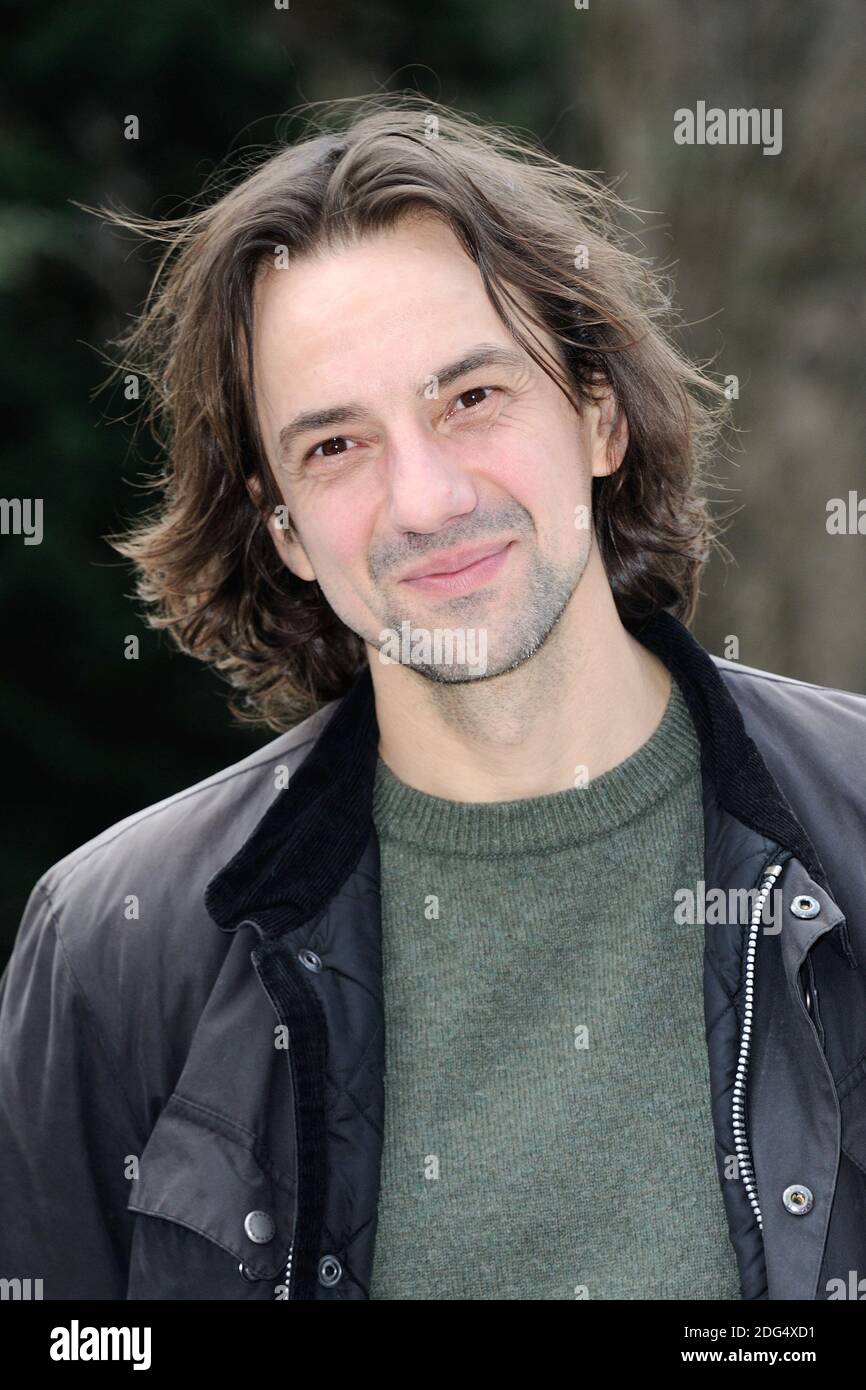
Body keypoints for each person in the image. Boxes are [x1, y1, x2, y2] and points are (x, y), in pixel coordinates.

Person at [2, 95, 865, 1302]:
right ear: (283, 528)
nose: (423, 500)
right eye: (334, 447)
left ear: (598, 415)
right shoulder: (117, 946)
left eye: (470, 398)